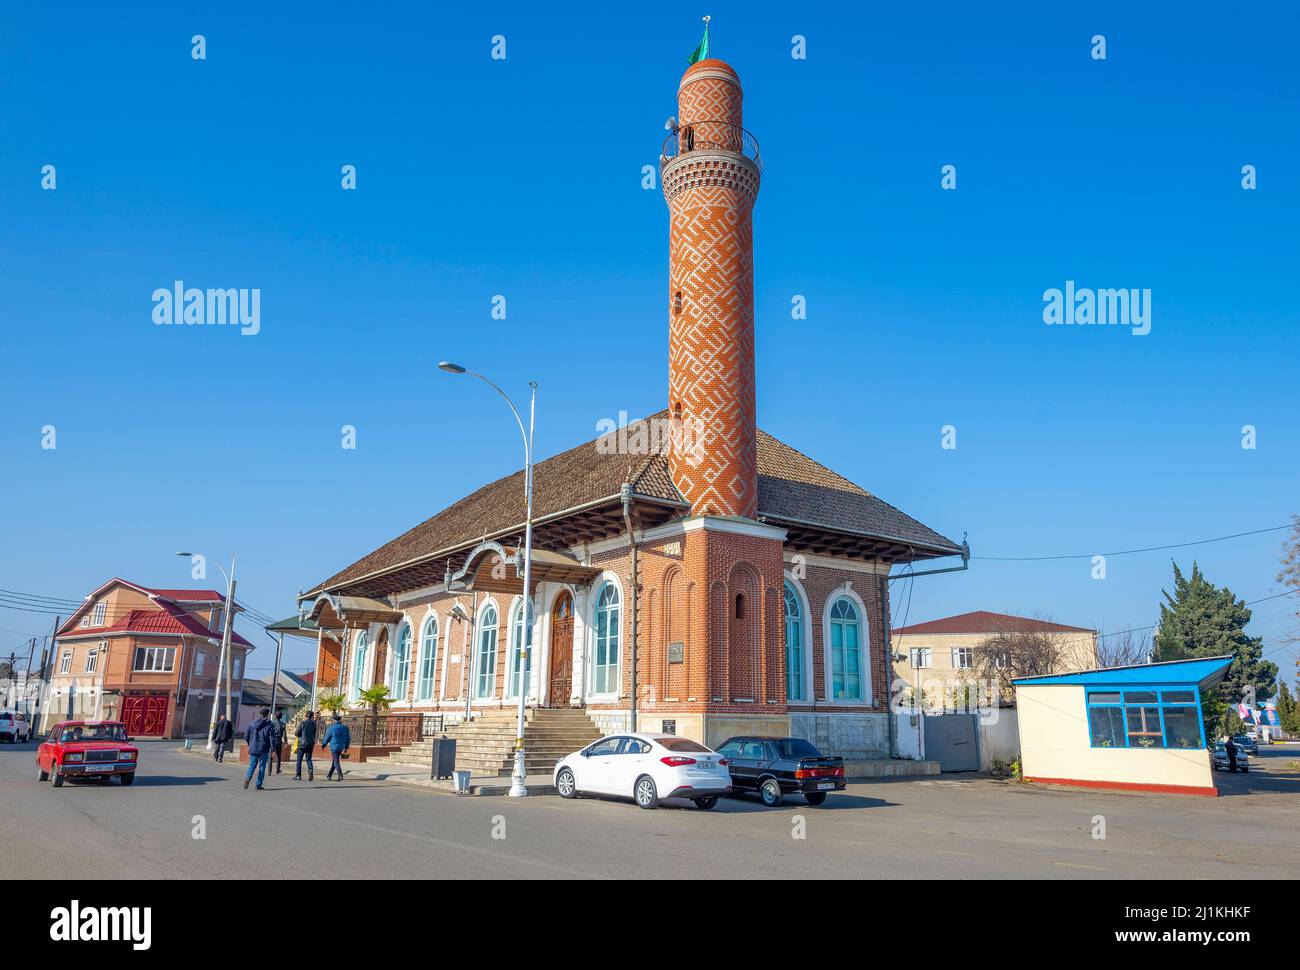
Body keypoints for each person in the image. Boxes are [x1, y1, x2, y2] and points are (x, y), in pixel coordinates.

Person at [244, 707, 276, 791]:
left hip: (253, 748)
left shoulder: (252, 723)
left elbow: (246, 736)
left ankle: (248, 778)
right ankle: (258, 784)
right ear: (267, 714)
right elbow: (272, 738)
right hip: (264, 748)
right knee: (262, 767)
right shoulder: (270, 724)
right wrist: (273, 750)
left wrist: (250, 744)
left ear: (260, 714)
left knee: (252, 765)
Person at [322, 713, 351, 781]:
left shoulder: (332, 727)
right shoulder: (345, 727)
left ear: (334, 720)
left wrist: (324, 744)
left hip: (334, 746)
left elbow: (327, 737)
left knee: (336, 761)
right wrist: (346, 747)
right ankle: (329, 775)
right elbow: (348, 738)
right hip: (341, 746)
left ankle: (340, 775)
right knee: (335, 760)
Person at [294, 711, 318, 781]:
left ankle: (298, 775)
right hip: (310, 744)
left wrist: (300, 735)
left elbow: (296, 733)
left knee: (299, 760)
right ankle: (310, 769)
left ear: (306, 716)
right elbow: (314, 734)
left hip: (302, 744)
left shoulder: (302, 723)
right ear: (312, 716)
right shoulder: (314, 724)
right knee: (309, 759)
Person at [270, 708, 288, 774]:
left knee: (270, 756)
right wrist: (286, 742)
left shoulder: (272, 723)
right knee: (278, 756)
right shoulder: (283, 724)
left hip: (272, 741)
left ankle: (269, 770)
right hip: (279, 741)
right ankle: (277, 770)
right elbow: (284, 735)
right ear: (281, 717)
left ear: (275, 716)